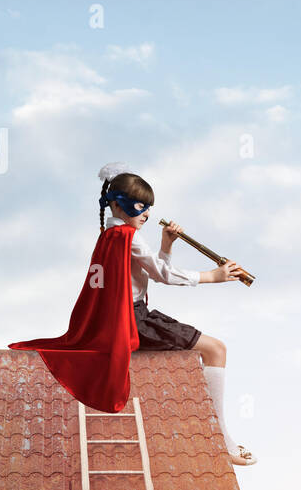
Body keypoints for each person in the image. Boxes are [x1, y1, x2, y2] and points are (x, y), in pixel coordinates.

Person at [97, 163, 256, 466]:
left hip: (129, 315)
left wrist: (166, 244)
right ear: (118, 204)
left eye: (148, 208)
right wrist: (214, 276)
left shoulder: (113, 233)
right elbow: (165, 276)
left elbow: (154, 272)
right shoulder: (128, 237)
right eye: (140, 206)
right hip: (134, 321)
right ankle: (221, 437)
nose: (145, 214)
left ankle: (218, 435)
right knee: (216, 349)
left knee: (211, 348)